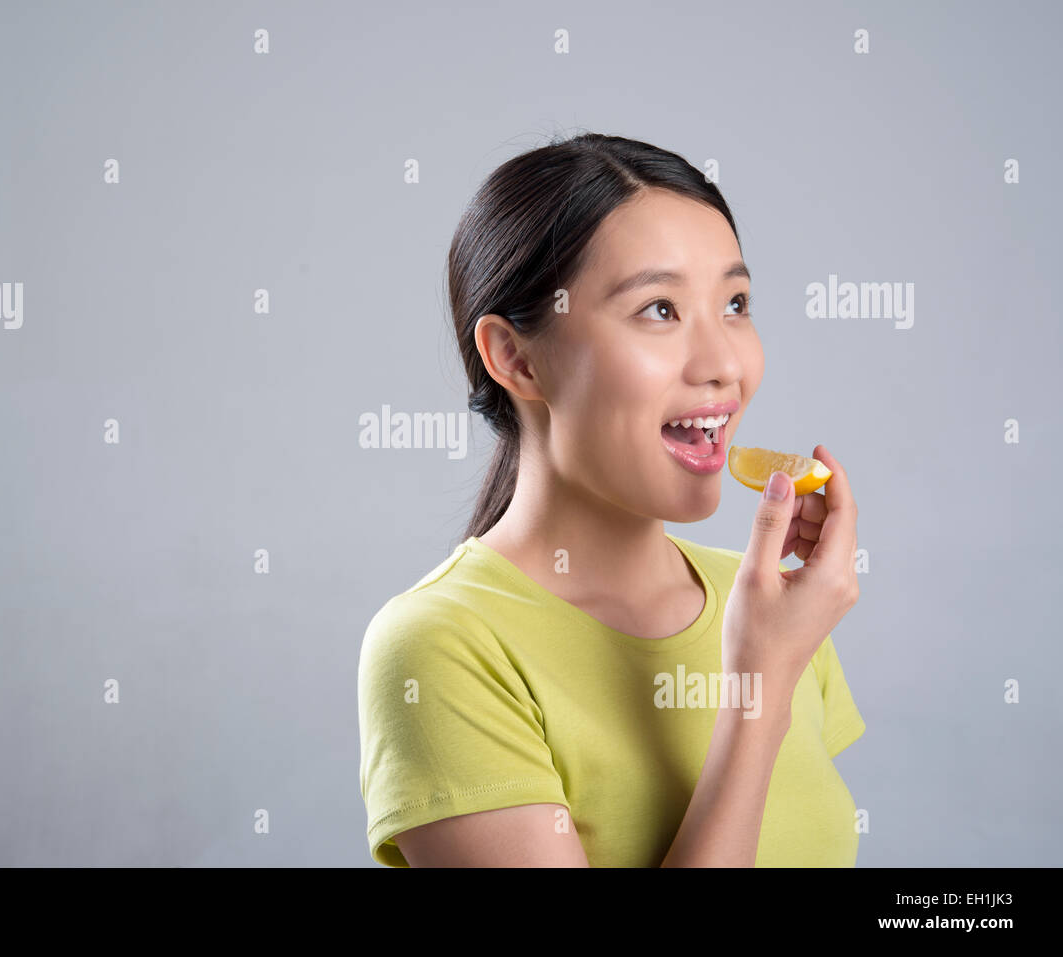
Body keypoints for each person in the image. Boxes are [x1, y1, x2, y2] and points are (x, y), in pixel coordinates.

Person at [357, 132, 865, 867]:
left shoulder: (764, 604)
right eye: (659, 309)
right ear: (516, 357)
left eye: (735, 302)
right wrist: (759, 692)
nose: (725, 363)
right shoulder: (440, 647)